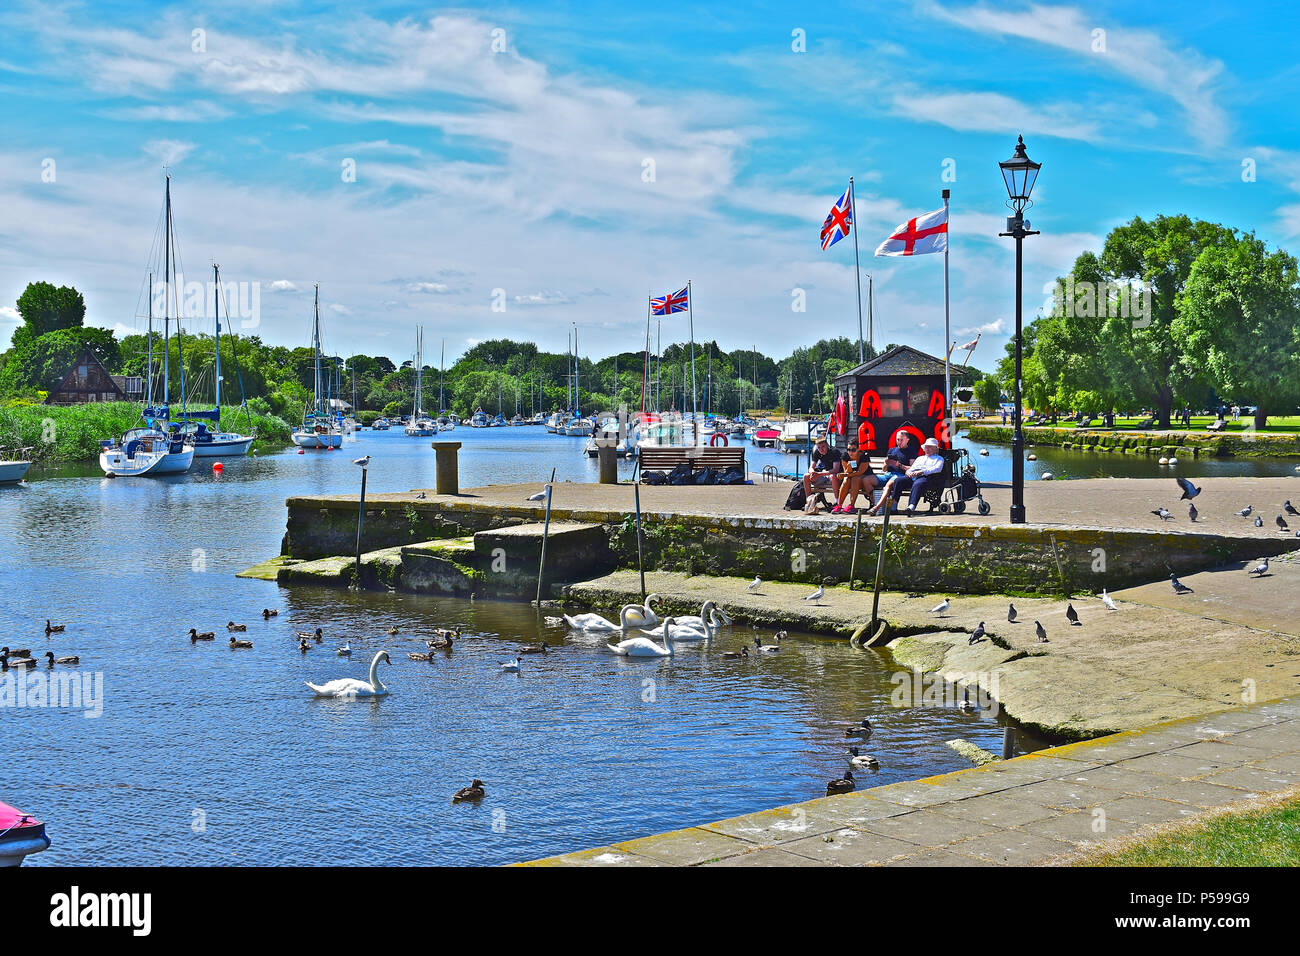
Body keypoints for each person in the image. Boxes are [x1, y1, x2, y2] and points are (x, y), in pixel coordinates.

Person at [830, 437, 877, 514]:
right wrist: (849, 467)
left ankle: (851, 505)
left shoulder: (864, 456)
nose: (850, 452)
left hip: (865, 478)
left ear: (859, 449)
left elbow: (860, 472)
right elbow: (847, 472)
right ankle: (839, 505)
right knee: (847, 479)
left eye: (853, 450)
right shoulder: (845, 456)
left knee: (855, 478)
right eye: (848, 449)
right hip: (851, 478)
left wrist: (845, 474)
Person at [801, 435, 844, 503]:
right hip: (825, 474)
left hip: (837, 475)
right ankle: (809, 501)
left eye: (823, 447)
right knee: (806, 476)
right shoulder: (817, 452)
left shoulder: (834, 451)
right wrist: (812, 473)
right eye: (819, 447)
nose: (821, 449)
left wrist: (819, 474)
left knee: (833, 476)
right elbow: (811, 467)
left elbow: (835, 469)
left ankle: (837, 502)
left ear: (827, 445)